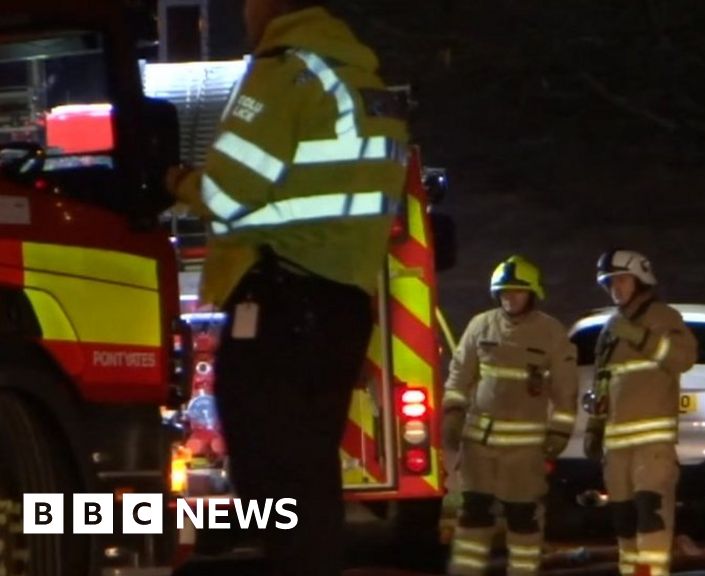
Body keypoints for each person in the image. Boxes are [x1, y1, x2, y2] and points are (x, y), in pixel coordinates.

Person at [165, 1, 409, 574]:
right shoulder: (362, 82)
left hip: (281, 304)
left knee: (266, 468)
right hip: (341, 303)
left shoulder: (284, 73)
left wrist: (172, 180)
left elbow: (226, 194)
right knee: (308, 472)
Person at [442, 256, 578, 576]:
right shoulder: (481, 325)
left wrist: (560, 431)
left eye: (516, 291)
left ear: (533, 294)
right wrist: (453, 411)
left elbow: (565, 389)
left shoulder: (550, 332)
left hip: (524, 451)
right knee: (473, 516)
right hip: (479, 444)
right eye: (503, 291)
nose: (509, 297)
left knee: (523, 519)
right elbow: (460, 373)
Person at [583, 249, 697, 576]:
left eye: (621, 280)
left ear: (640, 279)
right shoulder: (611, 327)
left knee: (651, 519)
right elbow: (603, 381)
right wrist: (594, 426)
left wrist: (640, 337)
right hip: (616, 448)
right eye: (609, 283)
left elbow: (682, 358)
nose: (615, 288)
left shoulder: (663, 317)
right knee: (624, 524)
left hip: (652, 447)